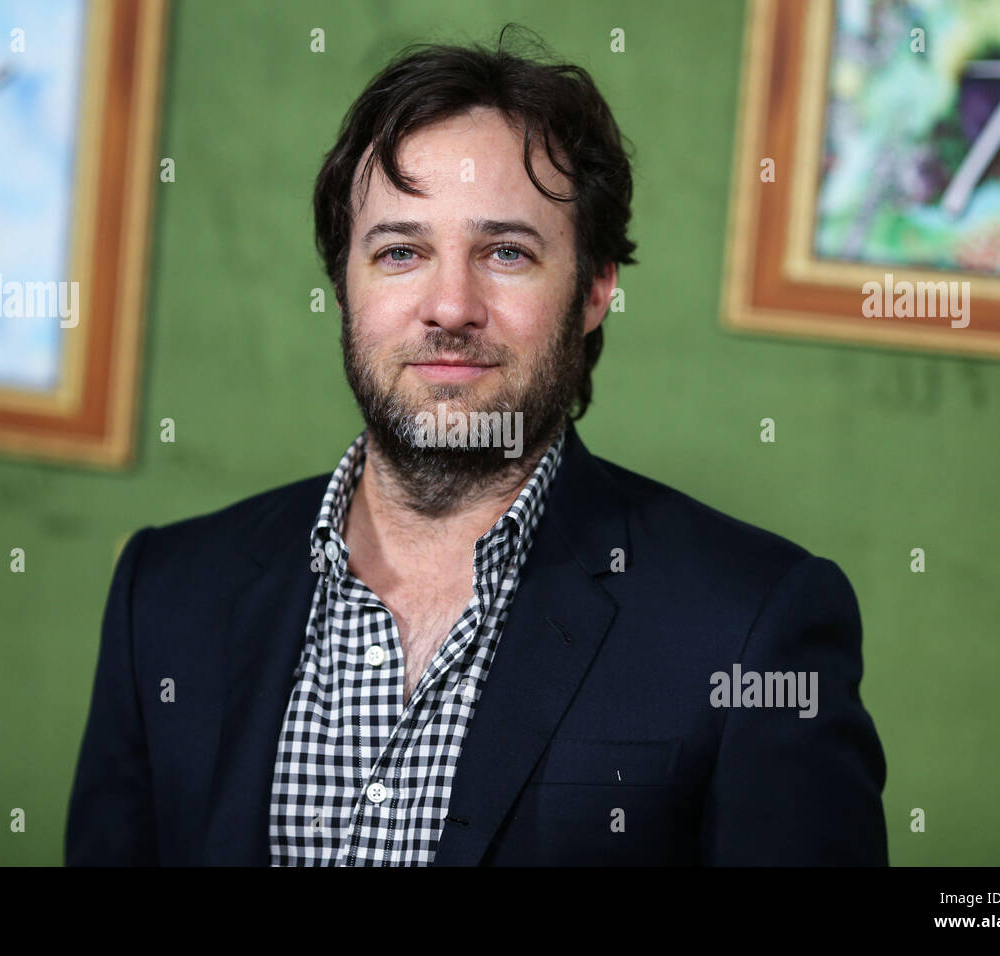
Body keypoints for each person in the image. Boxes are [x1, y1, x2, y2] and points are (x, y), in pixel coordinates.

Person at [66, 27, 888, 866]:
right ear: (343, 282)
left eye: (505, 252)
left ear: (596, 289)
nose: (450, 304)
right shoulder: (164, 598)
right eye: (400, 251)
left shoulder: (752, 623)